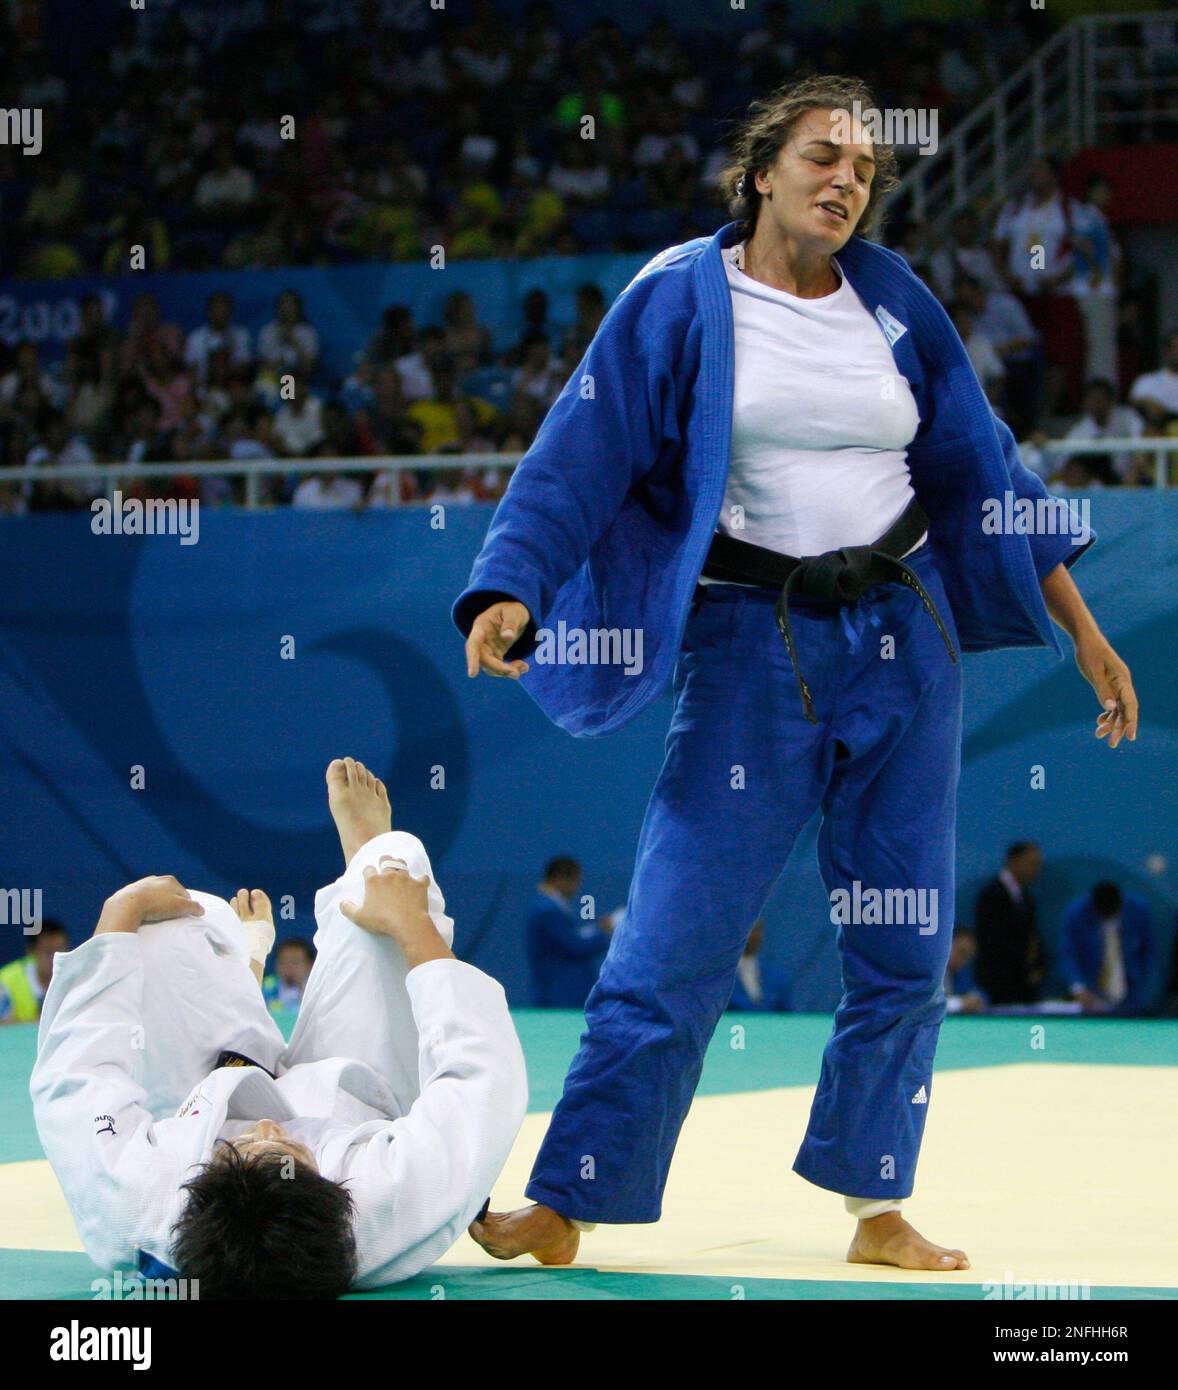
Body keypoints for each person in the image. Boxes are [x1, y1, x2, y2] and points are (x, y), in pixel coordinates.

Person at [454, 77, 1135, 1273]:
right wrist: (514, 582)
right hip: (747, 643)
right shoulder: (679, 295)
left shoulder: (892, 300)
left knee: (903, 940)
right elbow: (580, 454)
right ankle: (570, 1197)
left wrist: (1081, 630)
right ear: (761, 169)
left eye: (863, 170)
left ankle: (875, 1205)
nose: (844, 180)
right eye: (823, 156)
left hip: (903, 635)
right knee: (673, 932)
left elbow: (985, 469)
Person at [30, 759, 527, 1297]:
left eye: (238, 1151)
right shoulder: (391, 1202)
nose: (270, 1130)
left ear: (196, 1183)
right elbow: (481, 1075)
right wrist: (412, 926)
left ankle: (245, 976)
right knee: (396, 862)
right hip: (365, 1089)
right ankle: (366, 856)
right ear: (337, 1196)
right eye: (291, 1155)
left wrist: (116, 916)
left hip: (212, 1087)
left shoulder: (133, 1204)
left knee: (175, 922)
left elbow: (75, 1076)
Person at [526, 857, 612, 1008]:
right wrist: (602, 933)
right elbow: (575, 946)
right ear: (560, 878)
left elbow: (570, 940)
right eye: (576, 881)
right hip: (561, 994)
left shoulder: (548, 906)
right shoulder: (548, 910)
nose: (577, 887)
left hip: (561, 992)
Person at [1059, 881, 1154, 1016]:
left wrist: (1145, 988)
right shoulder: (1076, 914)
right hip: (1092, 993)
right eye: (1104, 915)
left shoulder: (1138, 910)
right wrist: (1079, 987)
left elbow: (1147, 952)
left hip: (1132, 993)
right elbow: (1067, 955)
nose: (1107, 918)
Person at [973, 842, 1047, 1006]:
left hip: (1024, 987)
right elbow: (993, 942)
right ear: (1015, 861)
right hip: (998, 986)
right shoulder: (991, 894)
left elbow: (1032, 938)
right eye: (1033, 864)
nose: (1036, 871)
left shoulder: (1027, 899)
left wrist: (1037, 967)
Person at [0, 921, 70, 1024]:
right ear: (32, 951)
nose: (55, 957)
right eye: (48, 951)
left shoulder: (77, 977)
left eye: (61, 949)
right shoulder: (5, 982)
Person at [727, 919, 789, 1012]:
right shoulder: (722, 974)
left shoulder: (775, 975)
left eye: (757, 931)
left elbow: (787, 1014)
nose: (754, 936)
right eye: (750, 931)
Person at [263, 937, 316, 1011]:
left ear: (310, 965)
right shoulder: (264, 988)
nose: (289, 967)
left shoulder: (317, 990)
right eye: (283, 962)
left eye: (295, 962)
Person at [943, 926, 986, 1015]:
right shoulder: (928, 973)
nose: (964, 959)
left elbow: (979, 996)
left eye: (969, 955)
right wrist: (961, 1003)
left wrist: (976, 1000)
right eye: (961, 952)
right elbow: (925, 1007)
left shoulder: (960, 975)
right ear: (945, 945)